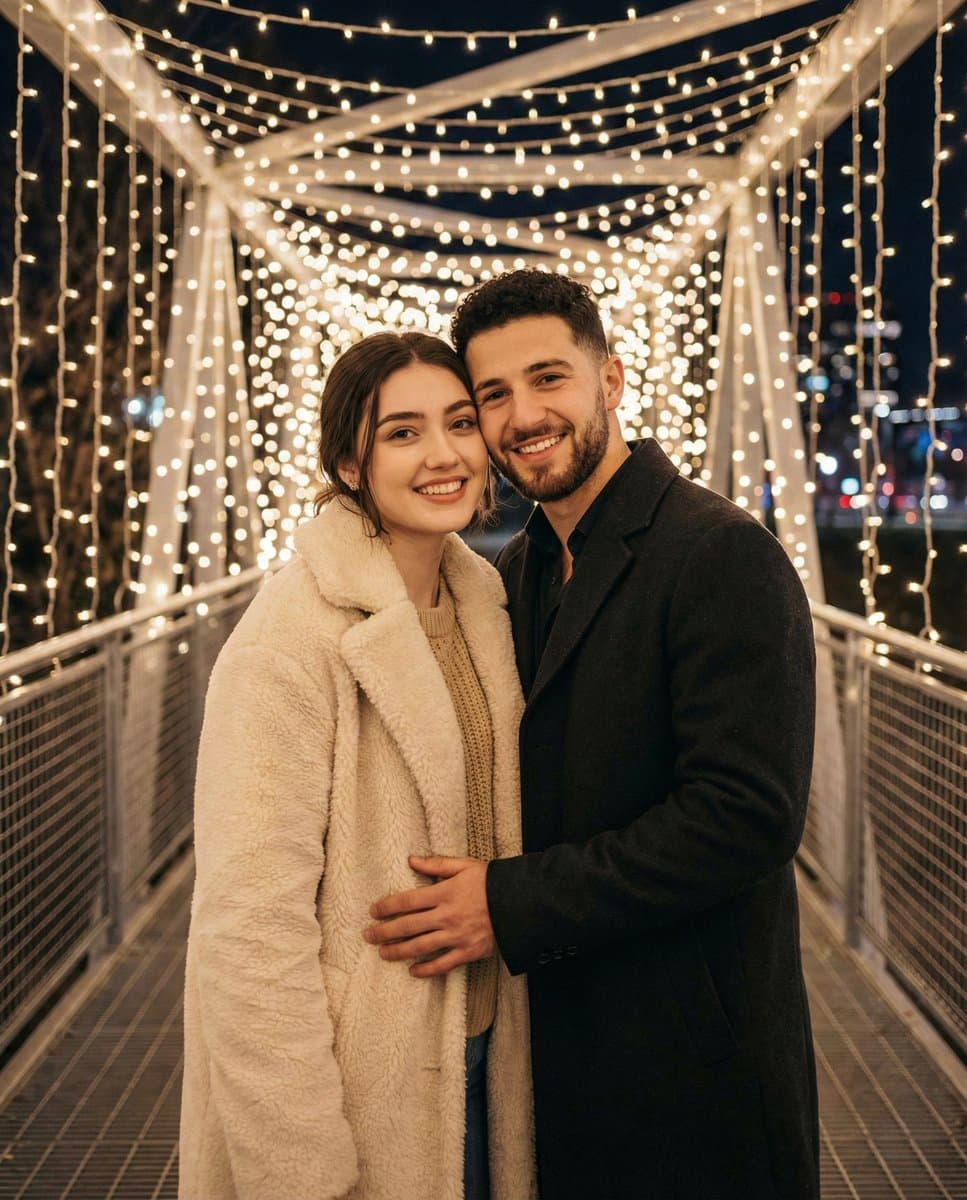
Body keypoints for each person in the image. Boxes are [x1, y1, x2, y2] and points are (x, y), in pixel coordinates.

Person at [366, 272, 820, 1199]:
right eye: (492, 395)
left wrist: (511, 902)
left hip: (694, 1063)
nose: (522, 415)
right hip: (562, 1057)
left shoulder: (719, 552)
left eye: (549, 379)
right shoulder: (520, 567)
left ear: (609, 379)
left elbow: (746, 817)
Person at [179, 331, 536, 1200]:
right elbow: (247, 931)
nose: (445, 455)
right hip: (361, 1077)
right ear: (348, 461)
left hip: (484, 1050)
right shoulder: (289, 643)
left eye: (459, 422)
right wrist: (301, 1167)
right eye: (402, 432)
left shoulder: (484, 600)